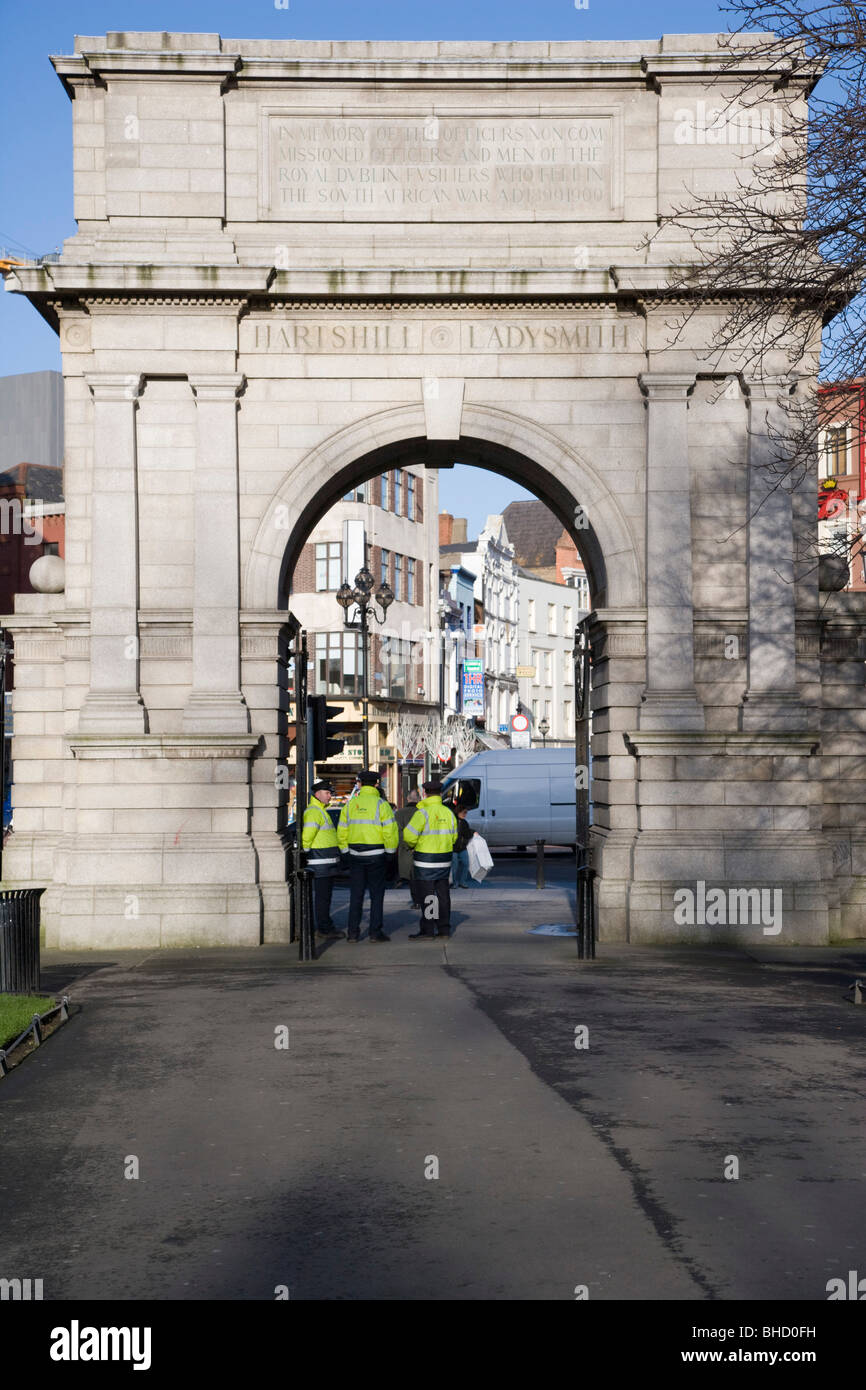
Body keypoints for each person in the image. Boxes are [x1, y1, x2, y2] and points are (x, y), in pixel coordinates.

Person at [337, 769, 398, 941]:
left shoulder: (350, 805)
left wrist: (345, 852)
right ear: (377, 784)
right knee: (376, 895)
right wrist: (390, 852)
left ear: (360, 784)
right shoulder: (382, 805)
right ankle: (374, 932)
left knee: (356, 895)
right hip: (377, 855)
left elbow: (342, 830)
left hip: (355, 855)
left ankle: (353, 934)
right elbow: (390, 832)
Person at [402, 778, 458, 939]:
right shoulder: (448, 812)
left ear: (425, 794)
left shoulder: (422, 813)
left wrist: (414, 845)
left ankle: (428, 929)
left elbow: (409, 835)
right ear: (440, 794)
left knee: (428, 896)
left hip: (425, 859)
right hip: (444, 858)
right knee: (443, 895)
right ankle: (444, 929)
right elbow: (454, 836)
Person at [301, 779, 345, 940]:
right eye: (327, 793)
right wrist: (305, 853)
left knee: (324, 898)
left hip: (325, 863)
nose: (330, 797)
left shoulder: (320, 810)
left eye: (330, 793)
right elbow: (307, 837)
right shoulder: (314, 811)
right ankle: (325, 928)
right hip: (320, 864)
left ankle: (325, 926)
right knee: (323, 899)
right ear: (317, 794)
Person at [394, 788, 424, 906]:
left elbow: (398, 833)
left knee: (412, 878)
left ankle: (416, 901)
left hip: (406, 851)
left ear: (407, 799)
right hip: (422, 850)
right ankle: (428, 907)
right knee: (422, 878)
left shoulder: (400, 813)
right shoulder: (423, 812)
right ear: (419, 799)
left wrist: (407, 845)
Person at [451, 799, 475, 889]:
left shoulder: (464, 822)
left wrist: (473, 832)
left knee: (465, 864)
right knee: (455, 866)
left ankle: (461, 882)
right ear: (459, 812)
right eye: (464, 812)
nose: (465, 814)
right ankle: (456, 882)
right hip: (454, 848)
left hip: (461, 847)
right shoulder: (454, 821)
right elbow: (466, 834)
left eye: (466, 812)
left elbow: (467, 833)